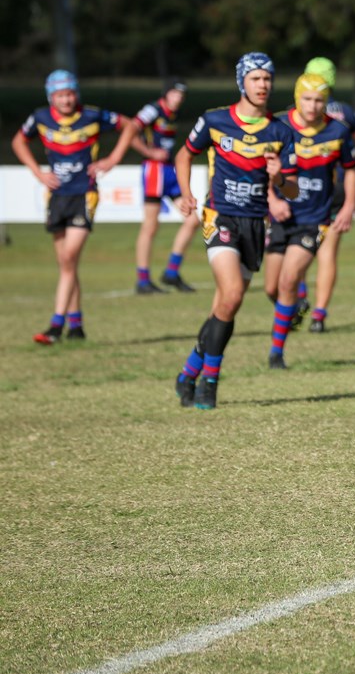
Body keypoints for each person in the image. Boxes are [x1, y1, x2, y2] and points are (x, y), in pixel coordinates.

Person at [172, 52, 297, 410]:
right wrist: (186, 193)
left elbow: (293, 190)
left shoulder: (280, 131)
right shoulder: (215, 121)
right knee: (230, 296)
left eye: (267, 79)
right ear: (242, 82)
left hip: (255, 226)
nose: (263, 85)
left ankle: (188, 373)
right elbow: (184, 155)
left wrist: (278, 179)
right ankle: (210, 381)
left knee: (223, 308)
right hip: (219, 218)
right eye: (256, 78)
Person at [12, 70, 138, 344]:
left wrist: (112, 159)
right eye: (60, 95)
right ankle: (76, 325)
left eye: (70, 94)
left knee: (69, 258)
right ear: (51, 97)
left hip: (84, 194)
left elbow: (130, 125)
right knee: (66, 264)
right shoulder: (41, 118)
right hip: (57, 196)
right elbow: (18, 141)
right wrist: (38, 172)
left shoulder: (92, 115)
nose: (66, 100)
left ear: (76, 94)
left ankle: (56, 325)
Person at [263, 73, 355, 369]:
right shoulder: (277, 125)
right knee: (272, 288)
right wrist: (273, 200)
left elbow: (351, 169)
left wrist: (349, 206)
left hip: (315, 219)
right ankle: (298, 303)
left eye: (319, 100)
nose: (313, 105)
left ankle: (276, 352)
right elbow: (263, 166)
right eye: (307, 99)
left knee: (289, 278)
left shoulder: (338, 132)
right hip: (281, 215)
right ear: (296, 97)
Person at [291, 56, 355, 334]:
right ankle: (319, 316)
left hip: (304, 189)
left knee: (295, 248)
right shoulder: (346, 112)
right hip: (336, 190)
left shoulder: (298, 110)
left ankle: (298, 297)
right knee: (327, 254)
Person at [121, 79, 200, 294]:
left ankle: (171, 272)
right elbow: (130, 128)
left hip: (169, 171)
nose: (178, 100)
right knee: (150, 225)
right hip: (154, 171)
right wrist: (149, 152)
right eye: (174, 95)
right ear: (166, 94)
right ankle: (143, 279)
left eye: (181, 97)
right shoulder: (153, 109)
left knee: (193, 220)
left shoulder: (171, 114)